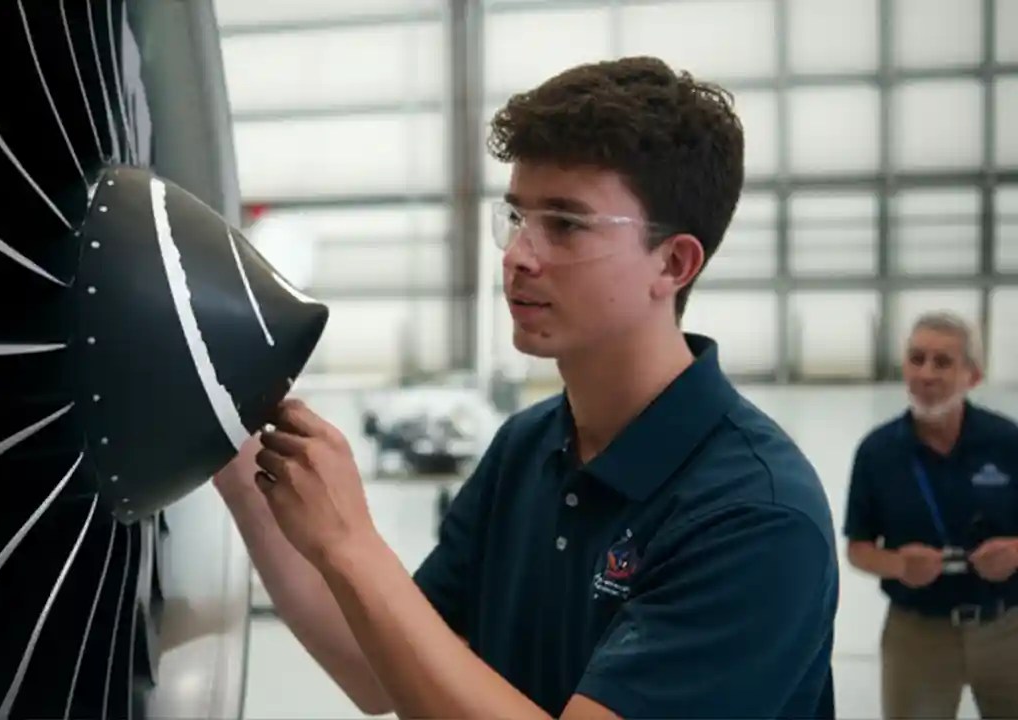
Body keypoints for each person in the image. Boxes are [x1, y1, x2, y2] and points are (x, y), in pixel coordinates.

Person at [213, 56, 838, 719]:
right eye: (516, 217)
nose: (517, 255)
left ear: (674, 262)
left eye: (565, 225)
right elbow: (379, 670)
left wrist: (353, 544)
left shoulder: (755, 516)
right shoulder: (530, 446)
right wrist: (230, 449)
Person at [843, 311, 1018, 719]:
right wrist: (898, 564)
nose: (926, 373)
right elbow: (858, 548)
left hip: (1007, 629)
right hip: (916, 635)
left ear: (972, 376)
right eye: (916, 359)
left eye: (943, 362)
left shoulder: (1007, 442)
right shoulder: (878, 452)